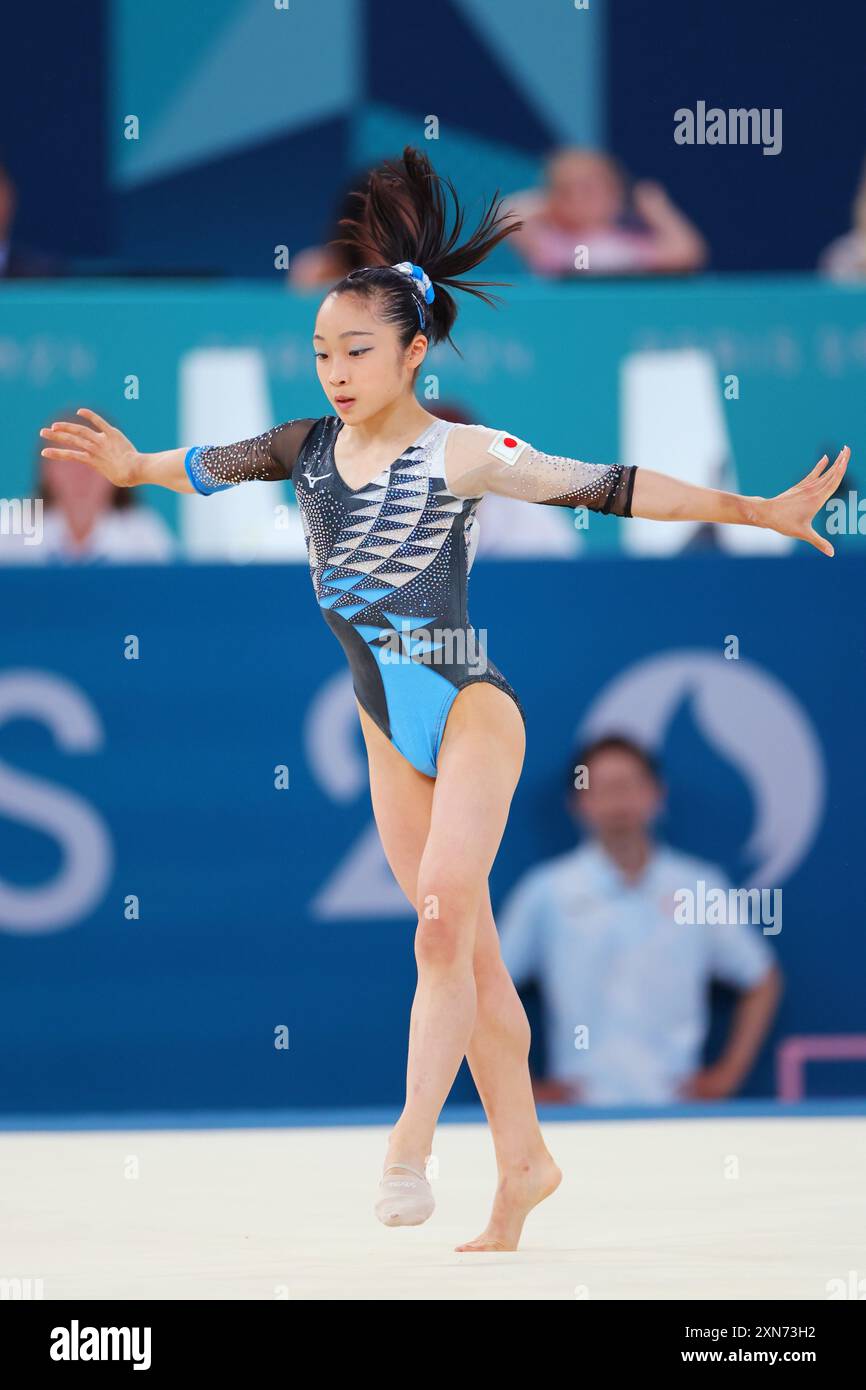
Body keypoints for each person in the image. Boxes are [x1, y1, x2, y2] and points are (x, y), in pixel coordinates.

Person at [39, 145, 848, 1252]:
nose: (333, 368)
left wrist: (750, 510)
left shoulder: (462, 453)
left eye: (356, 350)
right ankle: (523, 1161)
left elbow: (607, 484)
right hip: (385, 729)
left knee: (434, 930)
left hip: (470, 709)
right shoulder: (302, 448)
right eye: (321, 349)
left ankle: (408, 1145)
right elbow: (203, 461)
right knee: (468, 963)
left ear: (412, 350)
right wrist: (136, 468)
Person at [499, 736, 782, 1106]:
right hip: (576, 1119)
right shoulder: (547, 892)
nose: (619, 801)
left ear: (656, 794)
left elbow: (761, 978)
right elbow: (484, 986)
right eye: (602, 788)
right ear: (579, 801)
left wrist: (725, 1077)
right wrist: (521, 1088)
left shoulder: (698, 887)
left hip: (679, 1114)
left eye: (630, 785)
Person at [505, 147, 707, 277]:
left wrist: (658, 210)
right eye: (567, 190)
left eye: (590, 189)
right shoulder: (553, 245)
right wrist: (551, 203)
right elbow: (508, 217)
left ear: (615, 194)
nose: (579, 198)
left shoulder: (631, 246)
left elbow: (687, 254)